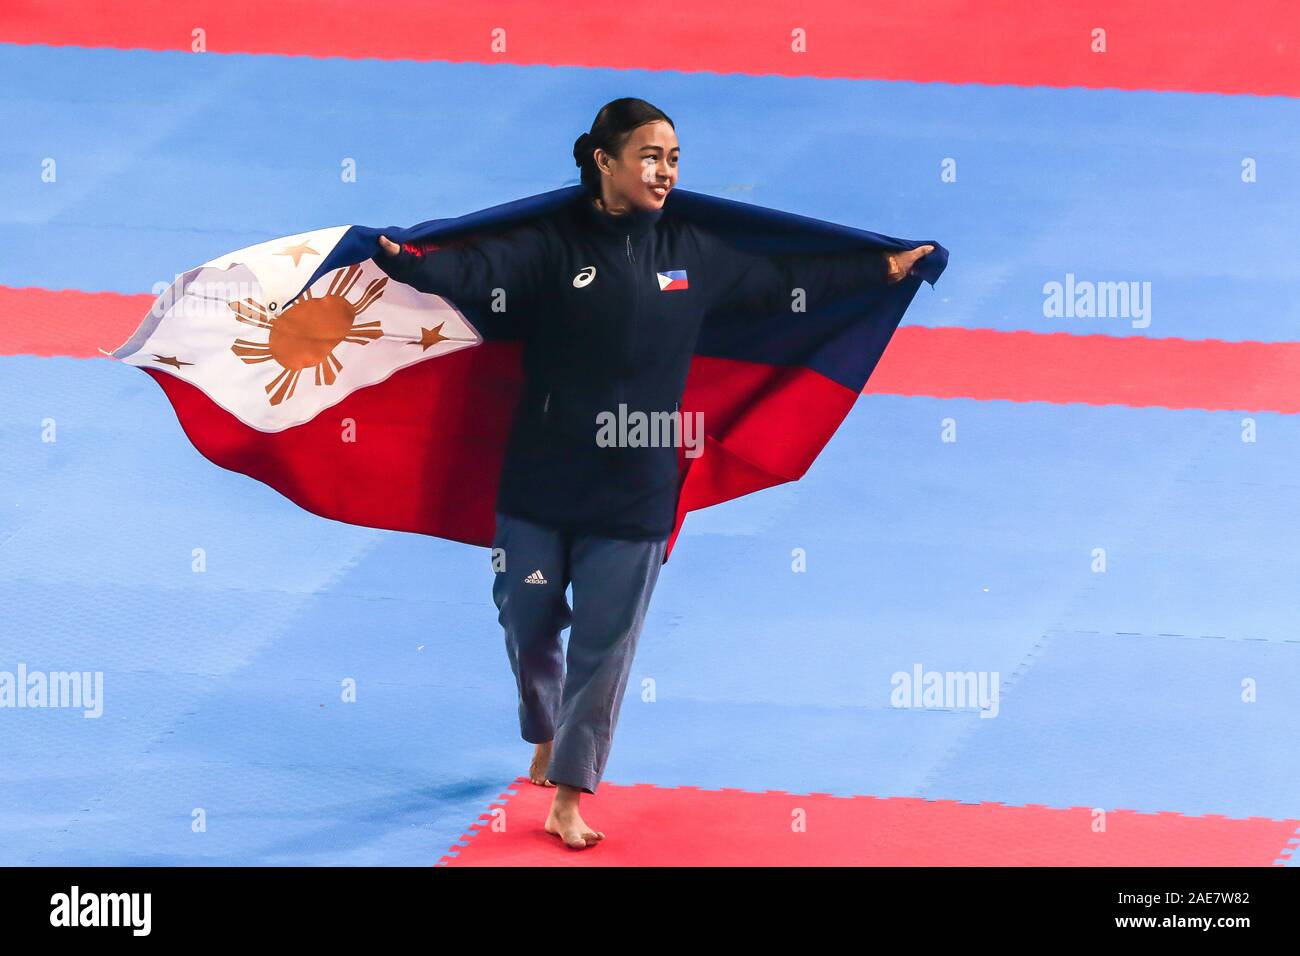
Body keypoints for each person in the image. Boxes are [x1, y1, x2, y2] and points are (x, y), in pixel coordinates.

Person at [372, 97, 933, 849]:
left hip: (636, 489)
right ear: (604, 162)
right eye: (649, 156)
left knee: (606, 646)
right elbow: (480, 270)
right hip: (540, 480)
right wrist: (412, 263)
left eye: (673, 158)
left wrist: (878, 267)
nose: (665, 170)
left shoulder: (696, 253)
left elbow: (783, 281)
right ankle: (543, 721)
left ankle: (571, 792)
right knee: (527, 619)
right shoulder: (551, 244)